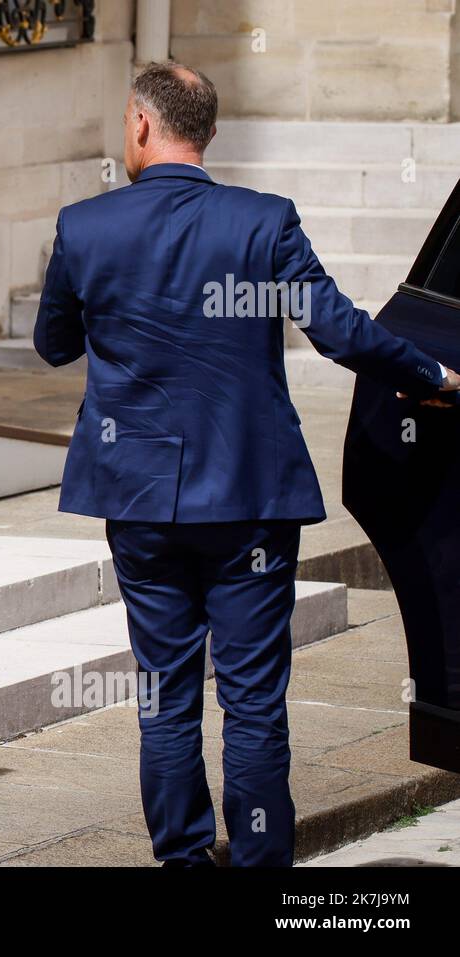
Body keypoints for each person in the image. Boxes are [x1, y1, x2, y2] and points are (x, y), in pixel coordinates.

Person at [34, 61, 459, 866]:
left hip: (142, 497)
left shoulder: (86, 227)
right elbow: (341, 332)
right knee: (256, 701)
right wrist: (433, 373)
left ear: (138, 124)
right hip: (249, 498)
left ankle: (183, 859)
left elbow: (54, 344)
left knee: (164, 697)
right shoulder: (262, 222)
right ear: (210, 133)